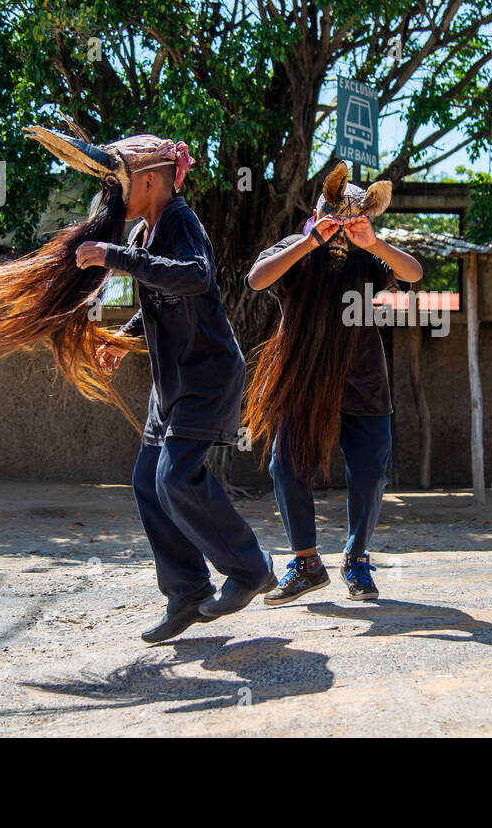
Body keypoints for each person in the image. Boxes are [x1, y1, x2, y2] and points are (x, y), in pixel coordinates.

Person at [82, 134, 276, 643]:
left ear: (149, 180)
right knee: (147, 480)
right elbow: (163, 301)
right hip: (170, 382)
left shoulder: (179, 221)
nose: (113, 197)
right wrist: (126, 340)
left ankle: (251, 567)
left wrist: (113, 256)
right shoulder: (147, 233)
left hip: (206, 376)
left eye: (119, 184)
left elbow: (193, 276)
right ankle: (187, 590)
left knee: (175, 477)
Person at [243, 162, 422, 605]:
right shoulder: (296, 248)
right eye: (334, 219)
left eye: (351, 221)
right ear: (321, 211)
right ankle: (306, 563)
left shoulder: (367, 256)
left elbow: (415, 273)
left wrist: (374, 242)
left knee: (369, 473)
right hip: (302, 382)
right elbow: (256, 278)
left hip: (365, 383)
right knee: (285, 466)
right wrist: (308, 243)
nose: (341, 231)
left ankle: (356, 559)